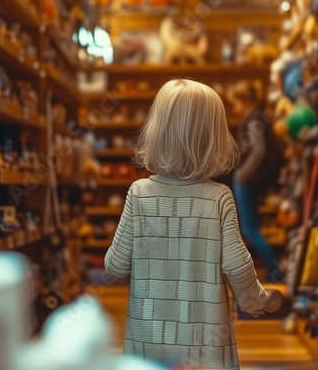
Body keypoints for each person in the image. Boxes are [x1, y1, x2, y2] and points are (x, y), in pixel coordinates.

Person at [104, 79, 283, 370]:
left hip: (148, 343)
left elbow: (116, 266)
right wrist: (255, 301)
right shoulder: (218, 197)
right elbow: (237, 265)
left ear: (156, 132)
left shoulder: (138, 194)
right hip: (207, 346)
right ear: (215, 139)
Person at [228, 80, 284, 282]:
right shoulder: (256, 118)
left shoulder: (252, 120)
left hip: (247, 180)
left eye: (235, 102)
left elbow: (258, 151)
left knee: (249, 229)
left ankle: (274, 268)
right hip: (251, 179)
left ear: (243, 101)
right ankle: (273, 268)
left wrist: (242, 174)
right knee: (250, 228)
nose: (234, 107)